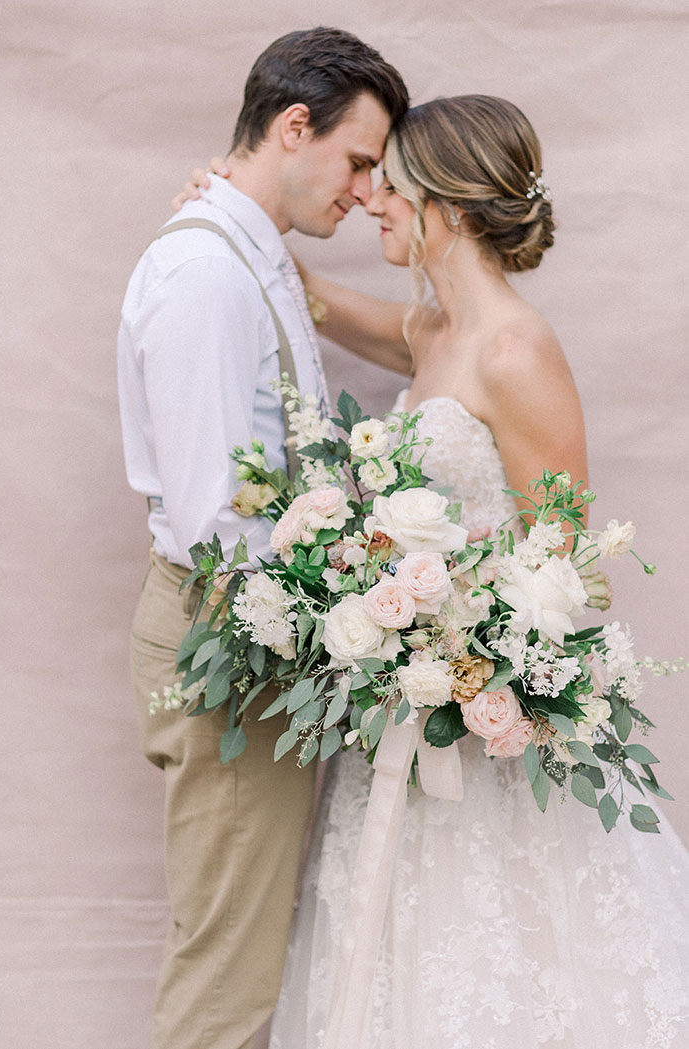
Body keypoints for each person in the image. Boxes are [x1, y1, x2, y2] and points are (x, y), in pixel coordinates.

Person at [177, 94, 689, 1047]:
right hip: (401, 722)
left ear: (447, 209)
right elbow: (312, 299)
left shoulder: (515, 350)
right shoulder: (430, 329)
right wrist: (232, 213)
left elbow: (571, 564)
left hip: (480, 729)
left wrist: (458, 643)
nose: (373, 200)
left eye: (393, 186)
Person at [117, 27, 408, 1049]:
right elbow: (214, 525)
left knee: (245, 951)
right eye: (359, 160)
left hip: (256, 638)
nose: (368, 192)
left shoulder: (251, 254)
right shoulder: (206, 275)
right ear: (296, 127)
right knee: (226, 976)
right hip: (230, 641)